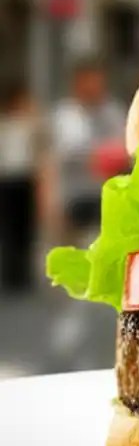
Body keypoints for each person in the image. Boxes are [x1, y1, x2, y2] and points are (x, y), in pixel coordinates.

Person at [50, 57, 128, 236]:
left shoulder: (113, 111)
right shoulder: (67, 115)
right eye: (89, 81)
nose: (95, 86)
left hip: (110, 196)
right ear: (77, 83)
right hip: (77, 197)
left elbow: (125, 147)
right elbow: (71, 152)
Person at [0, 79, 45, 293]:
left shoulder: (29, 124)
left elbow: (39, 149)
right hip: (6, 181)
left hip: (25, 179)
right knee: (9, 228)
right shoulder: (4, 124)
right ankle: (10, 272)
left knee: (25, 228)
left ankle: (24, 273)